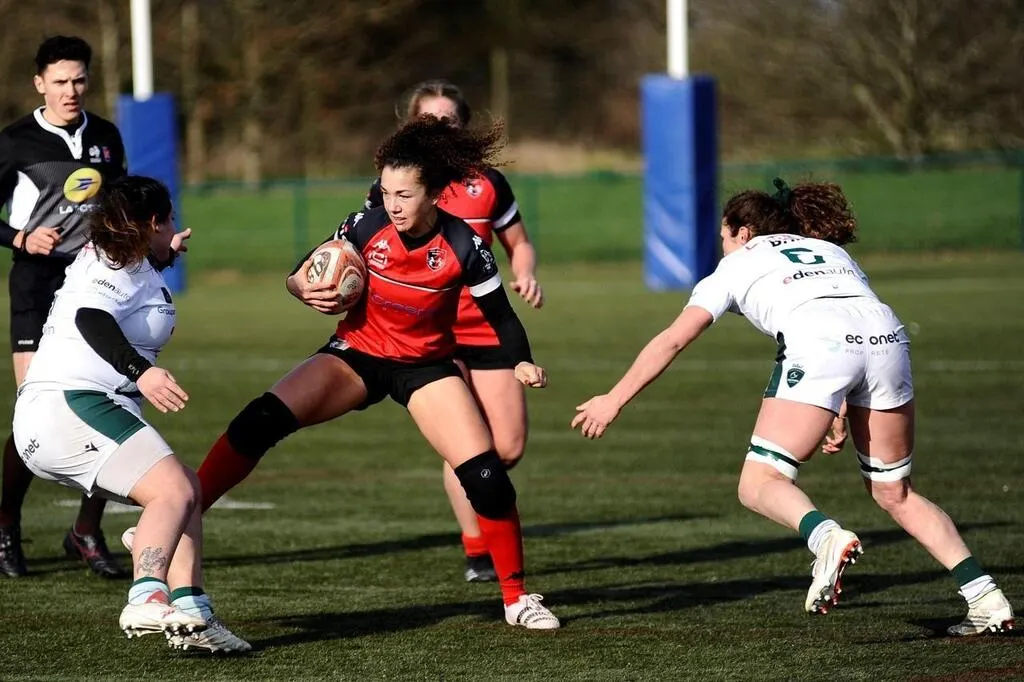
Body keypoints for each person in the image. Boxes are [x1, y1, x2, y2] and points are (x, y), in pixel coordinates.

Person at [571, 179, 1015, 636]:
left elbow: (673, 339)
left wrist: (613, 399)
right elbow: (851, 325)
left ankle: (826, 537)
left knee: (759, 483)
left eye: (724, 236)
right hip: (887, 338)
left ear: (743, 232)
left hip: (821, 343)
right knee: (895, 493)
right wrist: (839, 406)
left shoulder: (736, 264)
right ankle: (986, 597)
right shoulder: (829, 251)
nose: (723, 246)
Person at [194, 116, 560, 629]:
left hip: (425, 367)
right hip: (357, 354)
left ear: (435, 193)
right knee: (259, 420)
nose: (392, 204)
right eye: (386, 192)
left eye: (404, 195)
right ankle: (181, 512)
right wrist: (302, 288)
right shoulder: (364, 226)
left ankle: (516, 599)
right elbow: (302, 270)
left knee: (487, 477)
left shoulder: (464, 246)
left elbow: (501, 315)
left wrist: (521, 359)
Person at [12, 175, 249, 652]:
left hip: (68, 412)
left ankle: (193, 612)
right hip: (70, 406)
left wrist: (163, 254)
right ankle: (146, 594)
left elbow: (129, 287)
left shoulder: (128, 258)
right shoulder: (112, 262)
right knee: (174, 491)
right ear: (154, 222)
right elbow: (92, 317)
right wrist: (141, 372)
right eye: (171, 221)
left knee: (187, 492)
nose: (175, 229)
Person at [364, 79, 543, 583]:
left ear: (465, 126)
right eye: (430, 120)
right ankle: (477, 550)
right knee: (466, 444)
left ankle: (481, 520)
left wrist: (526, 271)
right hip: (428, 333)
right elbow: (368, 249)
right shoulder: (394, 188)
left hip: (486, 326)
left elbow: (519, 243)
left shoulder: (488, 184)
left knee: (508, 446)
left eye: (450, 120)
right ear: (411, 125)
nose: (441, 128)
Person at [0, 35, 128, 578]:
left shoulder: (105, 136)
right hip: (36, 285)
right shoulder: (14, 142)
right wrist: (20, 238)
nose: (70, 90)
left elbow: (121, 207)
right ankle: (5, 525)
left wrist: (155, 242)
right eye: (59, 81)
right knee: (34, 411)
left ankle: (86, 531)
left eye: (78, 80)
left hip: (94, 288)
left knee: (111, 400)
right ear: (39, 84)